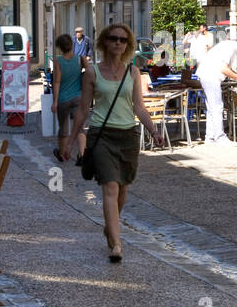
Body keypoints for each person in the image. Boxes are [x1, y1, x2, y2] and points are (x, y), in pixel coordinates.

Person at [65, 23, 164, 262]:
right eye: (113, 39)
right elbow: (82, 108)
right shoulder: (92, 72)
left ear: (127, 45)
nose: (118, 43)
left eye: (122, 40)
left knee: (123, 189)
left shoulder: (133, 72)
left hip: (128, 135)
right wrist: (69, 141)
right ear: (104, 42)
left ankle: (111, 226)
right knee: (110, 186)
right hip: (102, 134)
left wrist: (153, 130)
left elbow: (138, 106)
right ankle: (116, 244)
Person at [199, 33, 237, 145]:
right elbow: (223, 69)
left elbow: (226, 68)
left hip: (206, 75)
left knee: (212, 108)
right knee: (217, 107)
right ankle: (220, 137)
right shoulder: (231, 48)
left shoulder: (229, 46)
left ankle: (210, 137)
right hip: (211, 76)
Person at [51, 33, 87, 164]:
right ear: (72, 45)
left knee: (64, 128)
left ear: (59, 47)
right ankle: (82, 155)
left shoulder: (58, 61)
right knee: (80, 127)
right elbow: (90, 74)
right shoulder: (80, 59)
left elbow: (57, 82)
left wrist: (54, 102)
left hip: (63, 99)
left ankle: (61, 154)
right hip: (78, 97)